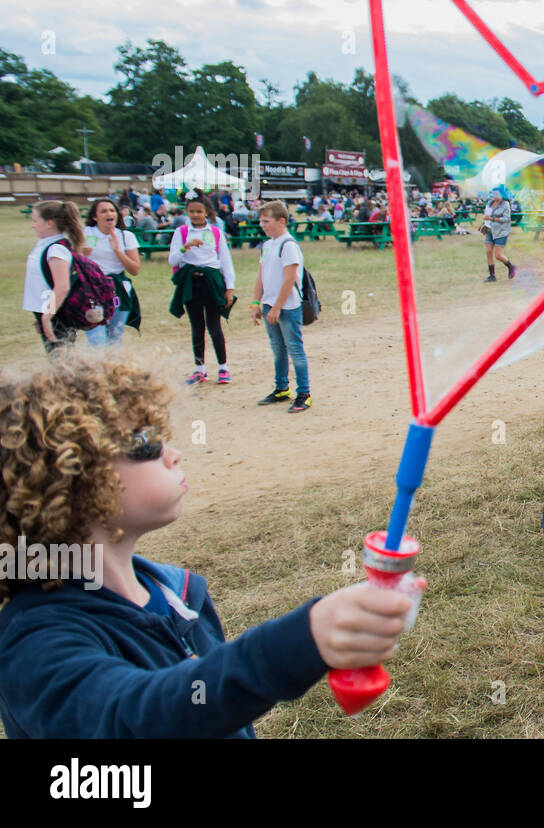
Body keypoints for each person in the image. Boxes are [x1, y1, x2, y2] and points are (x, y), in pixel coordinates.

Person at [0, 360, 413, 738]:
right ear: (69, 480)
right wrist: (298, 641)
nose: (173, 453)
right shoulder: (34, 643)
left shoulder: (176, 592)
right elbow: (128, 716)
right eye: (145, 442)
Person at [168, 192, 236, 386]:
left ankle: (223, 367)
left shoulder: (215, 232)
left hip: (212, 281)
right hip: (192, 282)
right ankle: (200, 369)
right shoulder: (181, 233)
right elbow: (172, 260)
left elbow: (225, 261)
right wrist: (185, 247)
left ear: (207, 212)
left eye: (199, 211)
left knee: (214, 326)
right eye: (192, 211)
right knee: (197, 326)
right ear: (187, 212)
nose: (196, 215)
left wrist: (229, 287)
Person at [251, 201, 311, 413]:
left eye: (266, 221)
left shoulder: (289, 245)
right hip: (269, 305)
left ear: (281, 221)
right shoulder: (267, 246)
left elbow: (290, 279)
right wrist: (257, 302)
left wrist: (277, 307)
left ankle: (304, 392)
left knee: (295, 349)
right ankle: (281, 388)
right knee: (278, 349)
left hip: (287, 306)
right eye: (261, 221)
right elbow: (261, 276)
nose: (262, 225)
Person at [23, 201, 83, 355]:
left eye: (36, 221)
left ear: (49, 223)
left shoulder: (56, 249)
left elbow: (62, 287)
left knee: (62, 361)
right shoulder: (45, 245)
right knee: (58, 359)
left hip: (57, 314)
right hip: (50, 312)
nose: (33, 225)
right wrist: (42, 315)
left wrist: (47, 316)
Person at [82, 198, 142, 347]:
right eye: (103, 211)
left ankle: (114, 369)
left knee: (115, 337)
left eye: (112, 210)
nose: (109, 214)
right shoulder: (86, 234)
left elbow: (134, 270)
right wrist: (80, 253)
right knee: (96, 339)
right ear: (95, 217)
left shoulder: (125, 236)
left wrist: (117, 251)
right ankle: (95, 369)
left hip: (118, 290)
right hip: (92, 290)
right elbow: (73, 263)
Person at [482, 186, 516, 282]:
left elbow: (506, 219)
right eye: (493, 193)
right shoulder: (490, 203)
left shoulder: (505, 204)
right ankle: (492, 276)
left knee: (498, 255)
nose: (494, 195)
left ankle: (511, 266)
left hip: (501, 232)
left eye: (496, 193)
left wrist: (492, 219)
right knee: (488, 252)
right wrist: (483, 225)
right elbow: (486, 215)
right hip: (489, 230)